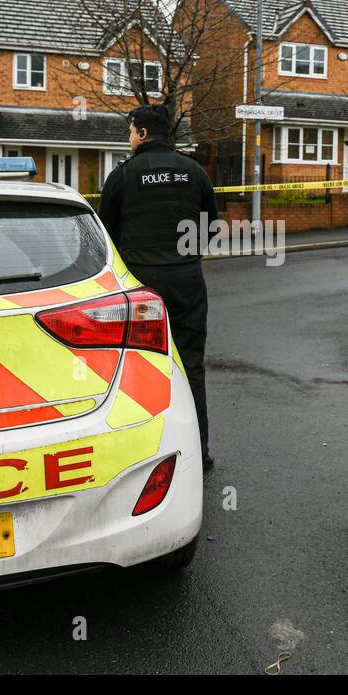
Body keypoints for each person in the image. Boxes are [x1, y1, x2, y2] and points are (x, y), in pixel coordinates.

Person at [97, 104, 217, 471]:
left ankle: (140, 456)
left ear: (143, 134)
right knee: (191, 368)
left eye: (131, 131)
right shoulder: (194, 172)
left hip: (139, 287)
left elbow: (105, 236)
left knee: (136, 368)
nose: (129, 138)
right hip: (186, 282)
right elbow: (210, 226)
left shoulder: (123, 176)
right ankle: (199, 454)